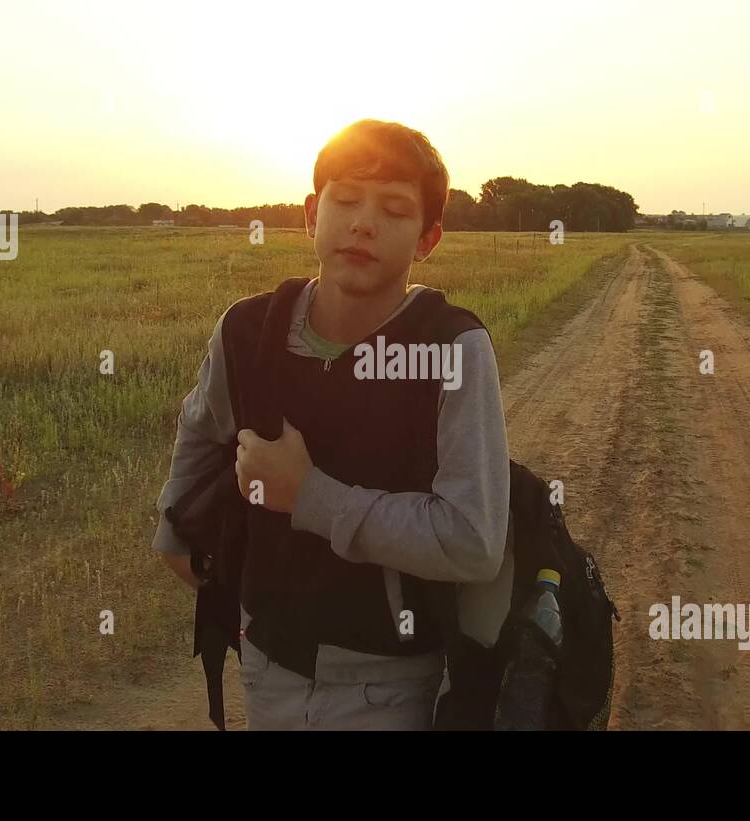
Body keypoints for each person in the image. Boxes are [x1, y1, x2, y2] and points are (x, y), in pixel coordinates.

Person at [152, 119, 512, 730]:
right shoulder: (245, 330)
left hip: (391, 680)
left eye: (395, 210)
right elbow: (201, 427)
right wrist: (173, 532)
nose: (363, 223)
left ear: (429, 239)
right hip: (267, 662)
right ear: (312, 212)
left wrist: (310, 496)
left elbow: (472, 540)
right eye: (346, 201)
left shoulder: (453, 348)